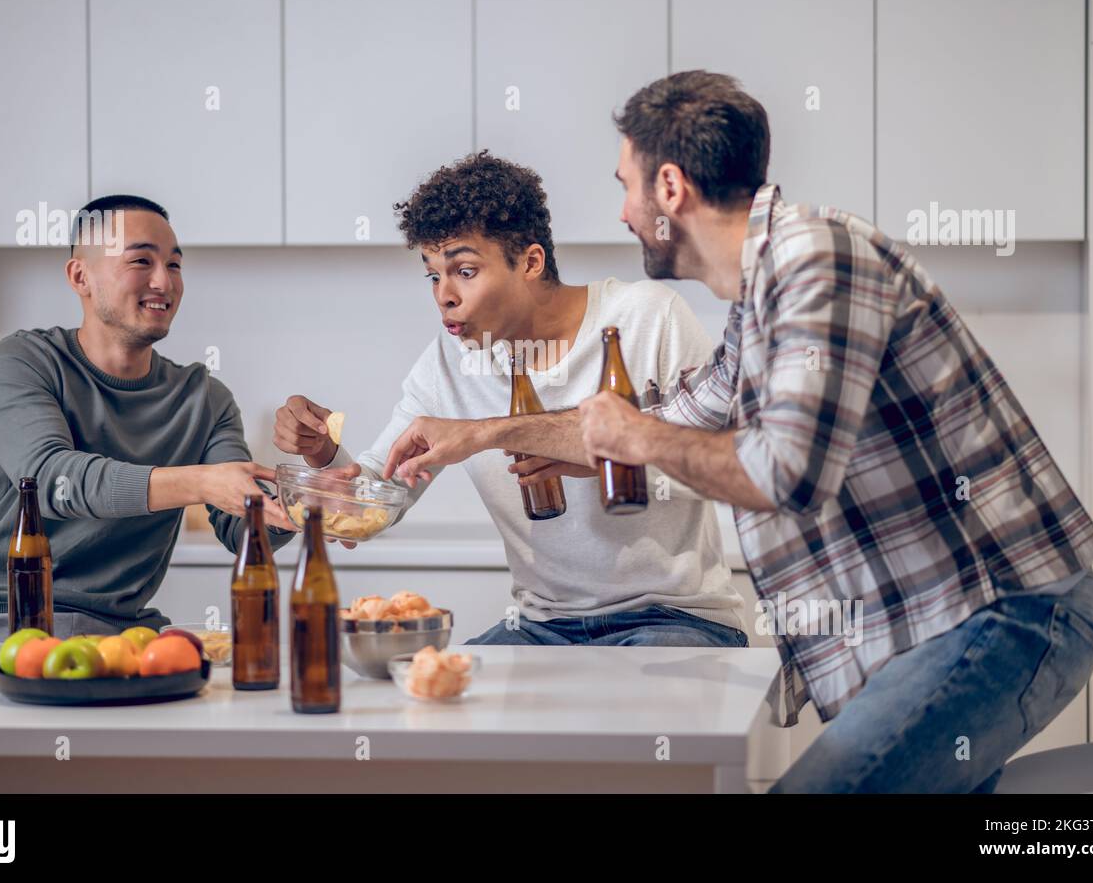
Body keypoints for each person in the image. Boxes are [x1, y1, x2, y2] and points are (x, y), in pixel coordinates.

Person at [377, 72, 1093, 792]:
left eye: (624, 185)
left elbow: (780, 473)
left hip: (1003, 617)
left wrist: (626, 436)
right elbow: (677, 419)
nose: (622, 213)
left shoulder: (816, 257)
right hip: (934, 627)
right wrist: (488, 436)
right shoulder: (763, 298)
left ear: (670, 189)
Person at [273, 152, 747, 647]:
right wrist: (322, 453)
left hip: (675, 617)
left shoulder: (648, 319)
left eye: (465, 270)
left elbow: (733, 471)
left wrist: (602, 456)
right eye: (433, 275)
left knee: (627, 711)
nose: (444, 295)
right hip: (541, 627)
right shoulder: (449, 361)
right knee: (433, 704)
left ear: (530, 262)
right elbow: (377, 500)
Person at [0, 195, 293, 643]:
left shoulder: (205, 399)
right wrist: (203, 482)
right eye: (141, 261)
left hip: (122, 630)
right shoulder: (23, 362)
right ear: (80, 276)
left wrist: (312, 491)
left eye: (174, 266)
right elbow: (51, 479)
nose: (164, 282)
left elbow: (242, 529)